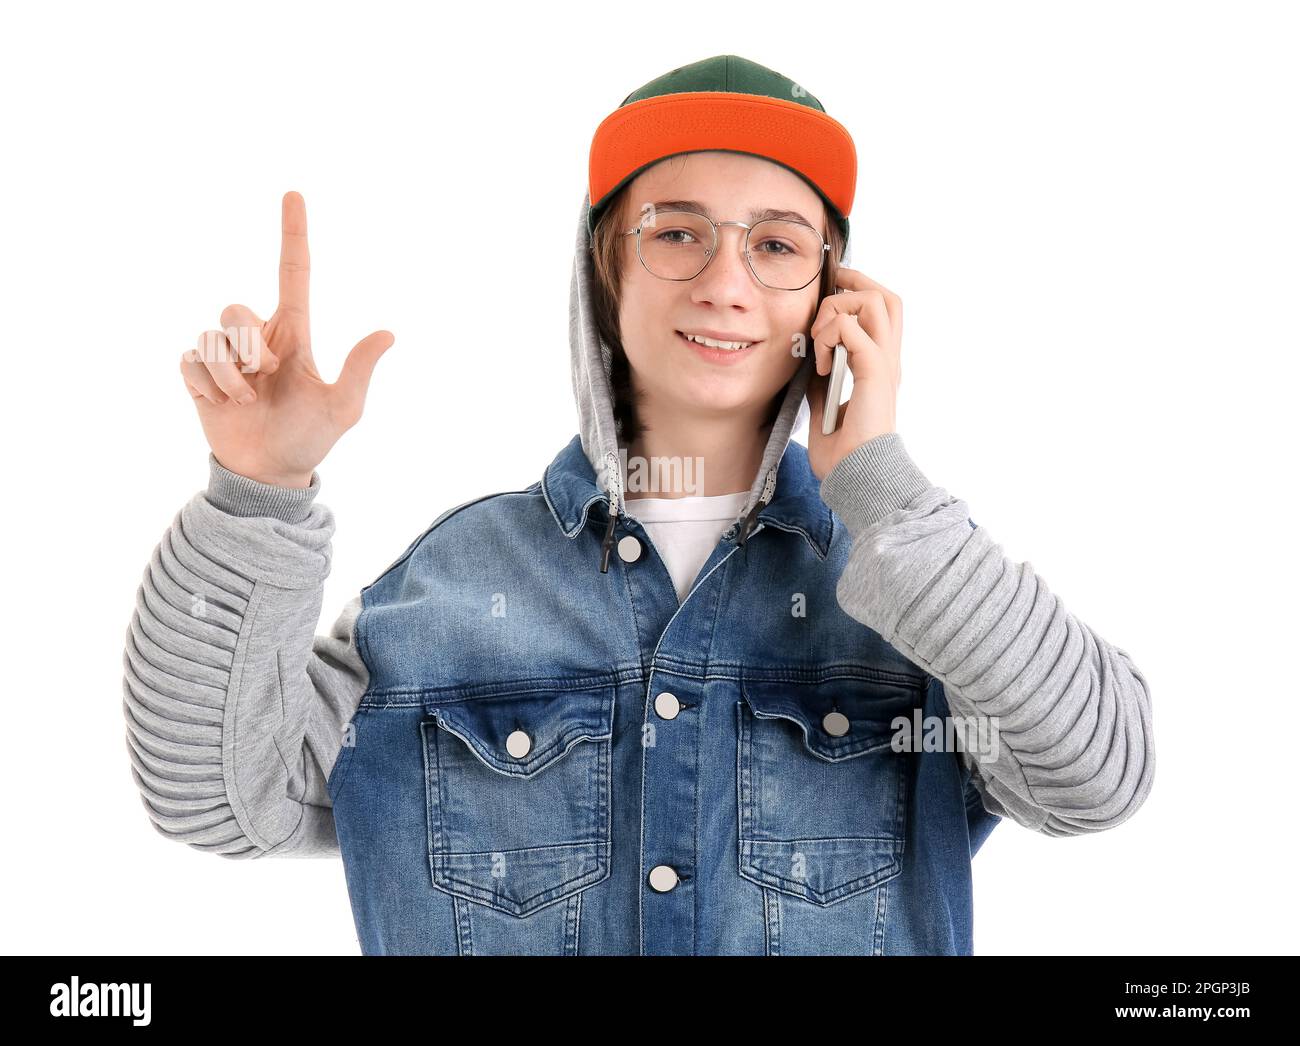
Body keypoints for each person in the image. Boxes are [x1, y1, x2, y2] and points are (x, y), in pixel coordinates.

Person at [122, 55, 1155, 956]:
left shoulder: (922, 600)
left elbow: (1098, 773)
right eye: (676, 234)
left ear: (832, 298)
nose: (724, 282)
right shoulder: (442, 591)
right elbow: (214, 796)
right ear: (606, 269)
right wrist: (255, 490)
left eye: (778, 245)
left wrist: (879, 480)